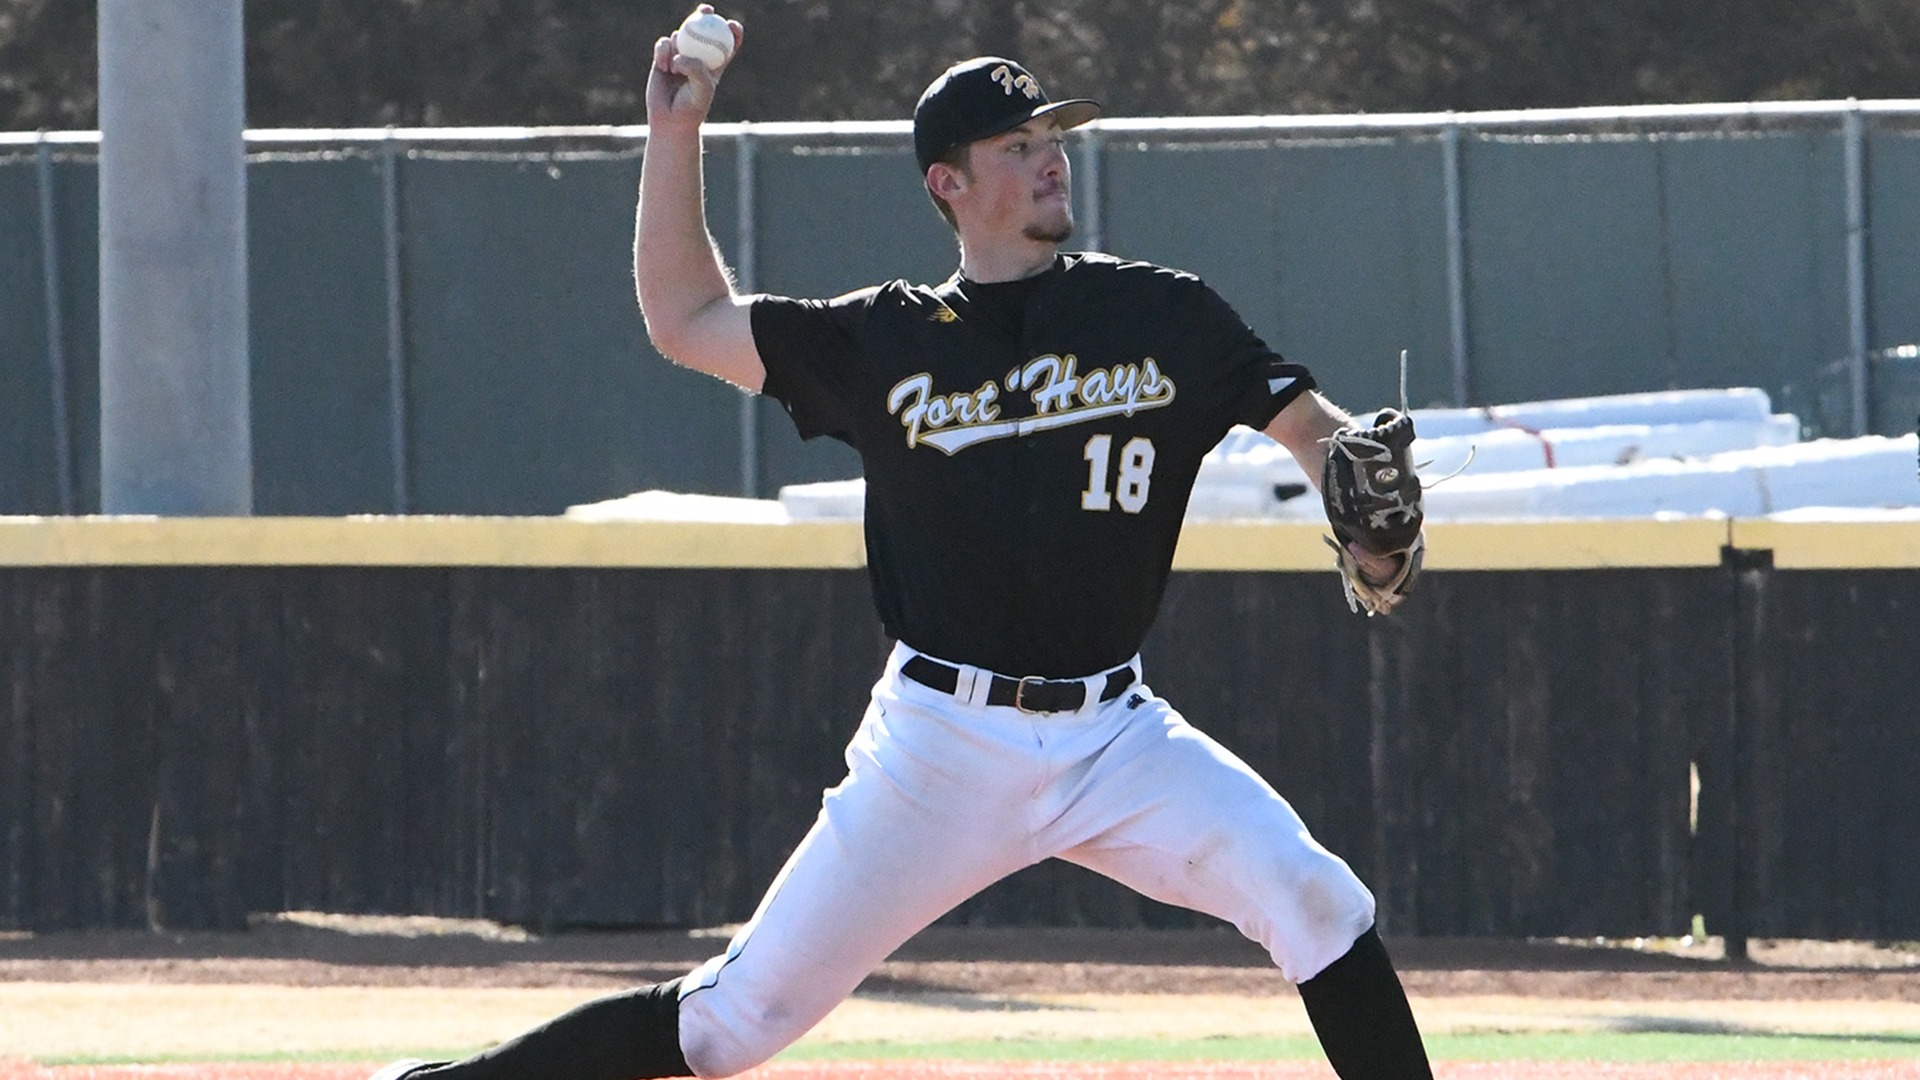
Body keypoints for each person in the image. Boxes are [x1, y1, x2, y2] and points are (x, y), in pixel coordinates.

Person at [369, 7, 1433, 1079]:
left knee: (1315, 899)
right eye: (1016, 145)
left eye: (1051, 136)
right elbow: (685, 317)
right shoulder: (885, 338)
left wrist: (1374, 536)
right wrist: (677, 130)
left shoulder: (1162, 314)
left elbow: (1320, 433)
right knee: (729, 1026)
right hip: (938, 746)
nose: (1050, 157)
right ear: (947, 185)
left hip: (1116, 737)